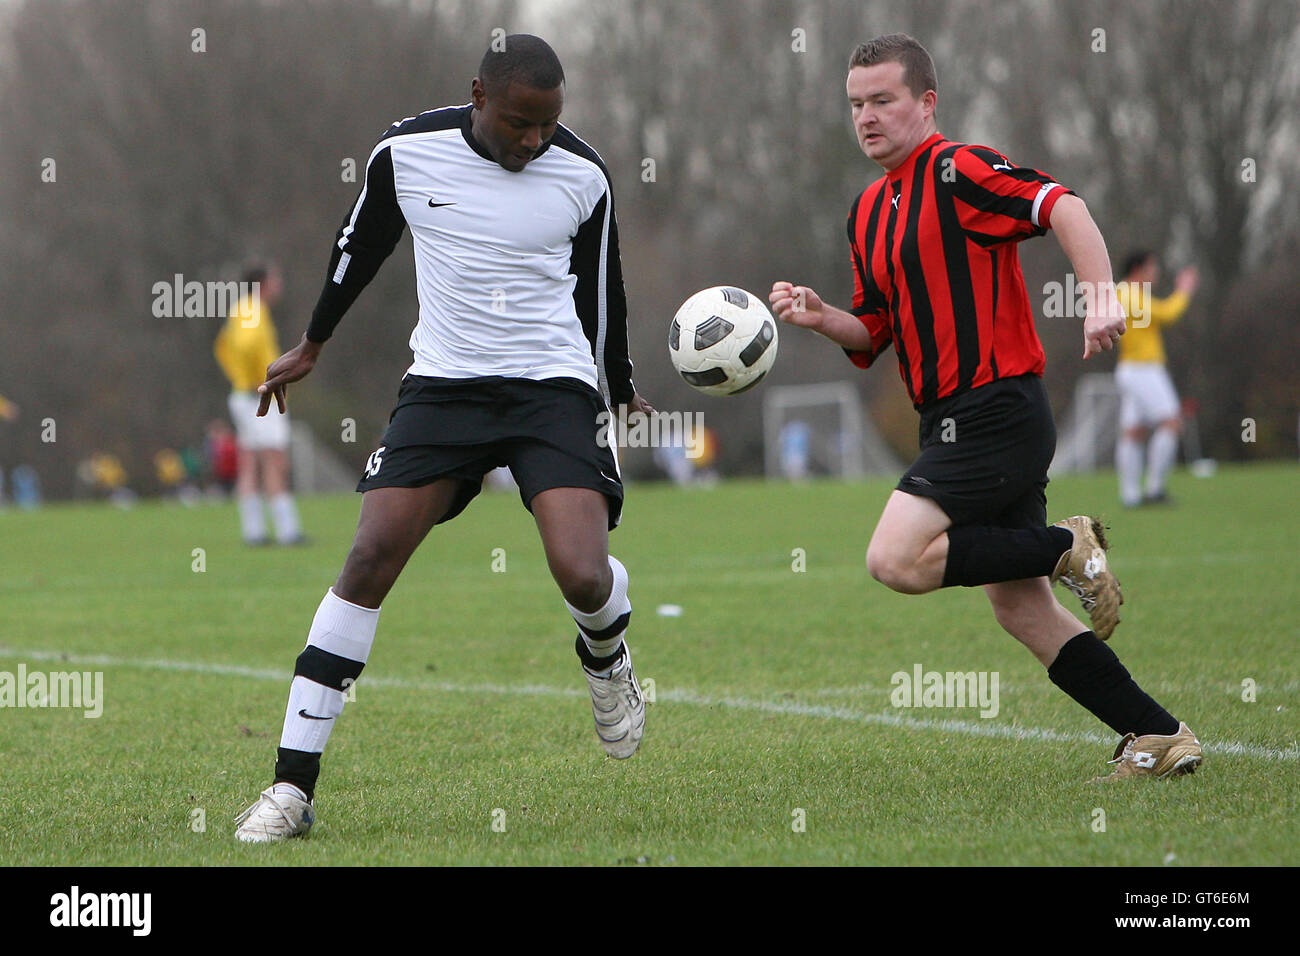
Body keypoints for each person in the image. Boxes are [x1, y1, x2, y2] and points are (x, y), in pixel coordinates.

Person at [235, 35, 651, 842]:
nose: (535, 141)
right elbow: (360, 247)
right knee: (369, 556)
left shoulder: (584, 174)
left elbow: (606, 291)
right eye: (521, 123)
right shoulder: (405, 151)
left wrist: (621, 386)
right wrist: (313, 342)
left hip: (549, 388)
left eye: (549, 124)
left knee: (581, 571)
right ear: (480, 97)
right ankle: (290, 788)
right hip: (444, 390)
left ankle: (606, 658)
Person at [769, 34, 1201, 781]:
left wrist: (1101, 297)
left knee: (893, 559)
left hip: (997, 408)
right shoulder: (867, 211)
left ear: (926, 103)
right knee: (1021, 610)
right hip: (952, 418)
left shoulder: (957, 168)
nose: (867, 117)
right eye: (855, 105)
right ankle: (1158, 735)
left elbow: (1064, 206)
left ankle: (1069, 542)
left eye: (883, 100)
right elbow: (876, 330)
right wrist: (820, 315)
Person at [213, 262, 306, 545]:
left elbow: (223, 347)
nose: (280, 284)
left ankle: (253, 532)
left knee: (249, 461)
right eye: (276, 279)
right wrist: (262, 379)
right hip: (257, 396)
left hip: (243, 394)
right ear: (264, 284)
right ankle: (288, 531)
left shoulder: (242, 309)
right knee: (274, 459)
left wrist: (238, 377)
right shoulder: (254, 310)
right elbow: (246, 345)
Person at [1113, 251, 1199, 507]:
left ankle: (1130, 495)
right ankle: (1154, 489)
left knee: (1134, 432)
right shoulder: (1127, 294)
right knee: (1172, 422)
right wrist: (1184, 290)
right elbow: (1166, 314)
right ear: (1138, 269)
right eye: (1152, 266)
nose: (1156, 272)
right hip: (1142, 370)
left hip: (1137, 370)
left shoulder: (1131, 294)